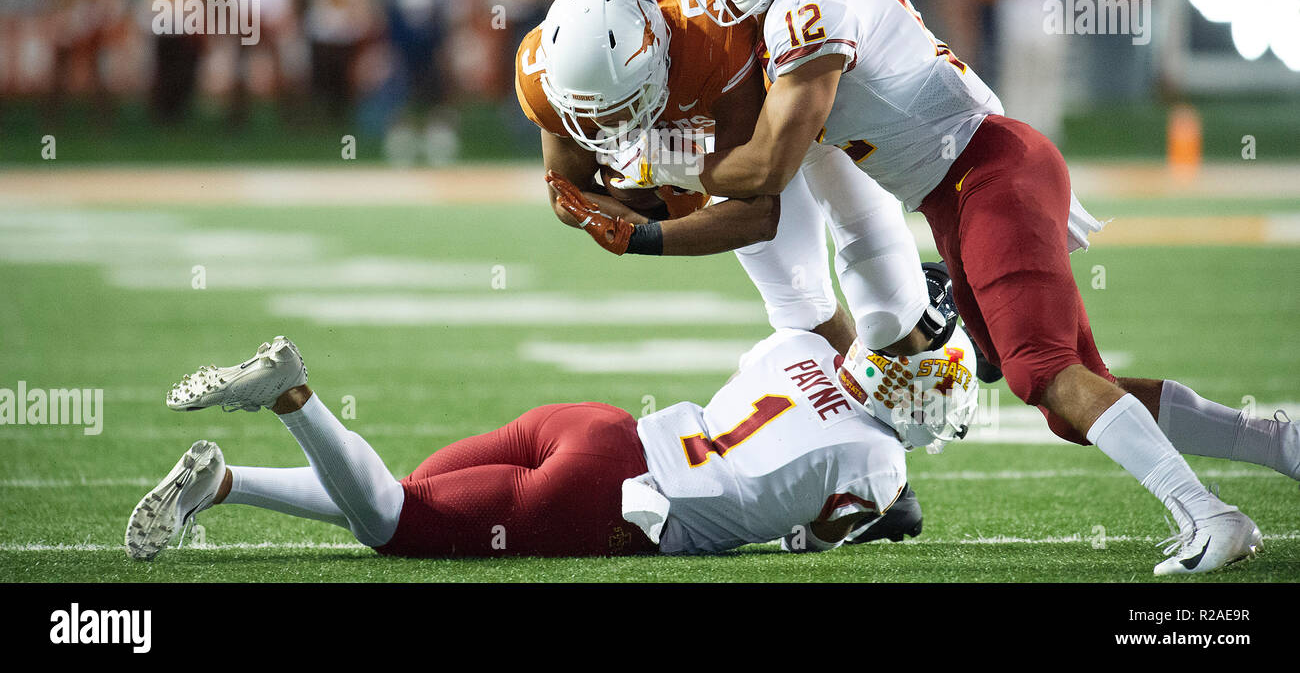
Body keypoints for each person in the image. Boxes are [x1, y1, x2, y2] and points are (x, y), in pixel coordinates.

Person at [613, 0, 1298, 575]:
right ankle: (1278, 443)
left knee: (1045, 372)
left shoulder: (809, 8)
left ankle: (1210, 515)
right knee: (1071, 396)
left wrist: (663, 158)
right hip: (974, 181)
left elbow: (772, 164)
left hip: (983, 177)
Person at [126, 328, 981, 561]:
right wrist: (879, 513)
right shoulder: (882, 461)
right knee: (392, 524)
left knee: (394, 495)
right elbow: (808, 535)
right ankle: (292, 397)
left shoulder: (798, 348)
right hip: (620, 503)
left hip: (601, 427)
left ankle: (222, 482)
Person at [518, 0, 952, 361]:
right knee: (801, 315)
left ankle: (945, 298)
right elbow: (567, 196)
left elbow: (758, 209)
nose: (609, 125)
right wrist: (638, 209)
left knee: (893, 325)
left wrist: (642, 227)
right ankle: (862, 420)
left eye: (623, 105)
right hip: (716, 141)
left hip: (799, 112)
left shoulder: (712, 36)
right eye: (592, 112)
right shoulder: (549, 71)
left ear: (660, 62)